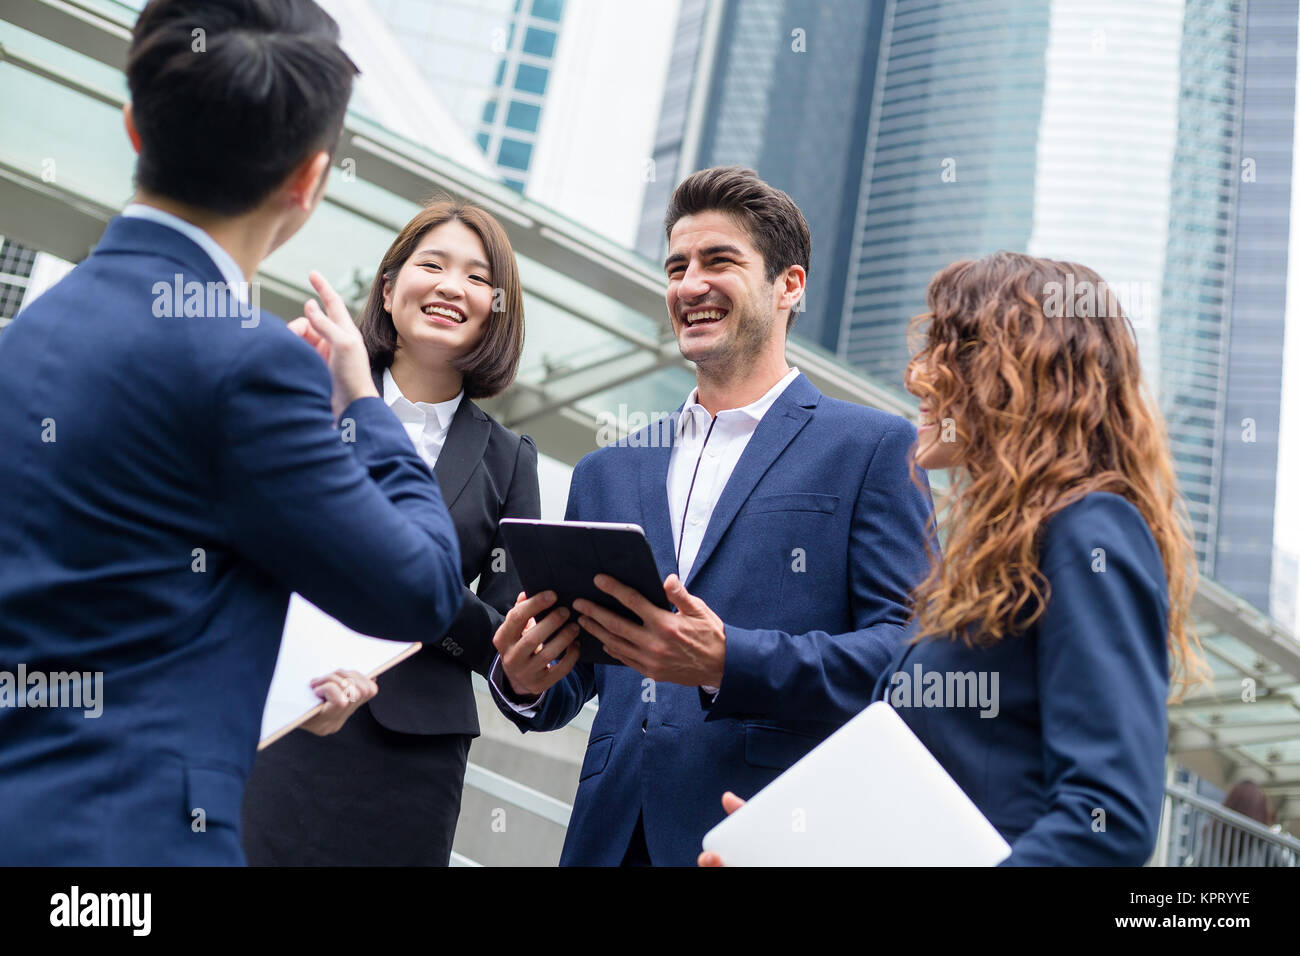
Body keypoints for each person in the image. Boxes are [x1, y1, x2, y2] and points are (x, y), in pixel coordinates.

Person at [0, 0, 463, 865]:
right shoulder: (254, 368)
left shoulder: (22, 340)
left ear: (135, 127)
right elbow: (424, 588)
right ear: (309, 181)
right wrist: (362, 403)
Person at [488, 166, 934, 866]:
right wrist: (522, 674)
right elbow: (576, 681)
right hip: (606, 841)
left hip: (762, 834)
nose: (689, 285)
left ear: (790, 285)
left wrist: (732, 661)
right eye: (676, 267)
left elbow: (907, 657)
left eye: (719, 261)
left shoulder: (872, 449)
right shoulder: (608, 472)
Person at [700, 252, 1206, 867]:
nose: (916, 375)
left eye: (946, 347)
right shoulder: (982, 561)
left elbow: (1108, 821)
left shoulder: (1090, 531)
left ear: (1013, 369)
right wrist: (798, 841)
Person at [241, 199, 539, 866]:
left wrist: (414, 586)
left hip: (411, 757)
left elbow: (508, 633)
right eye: (431, 264)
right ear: (388, 285)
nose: (449, 287)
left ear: (497, 306)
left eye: (474, 277)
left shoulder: (509, 458)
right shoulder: (308, 392)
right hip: (274, 707)